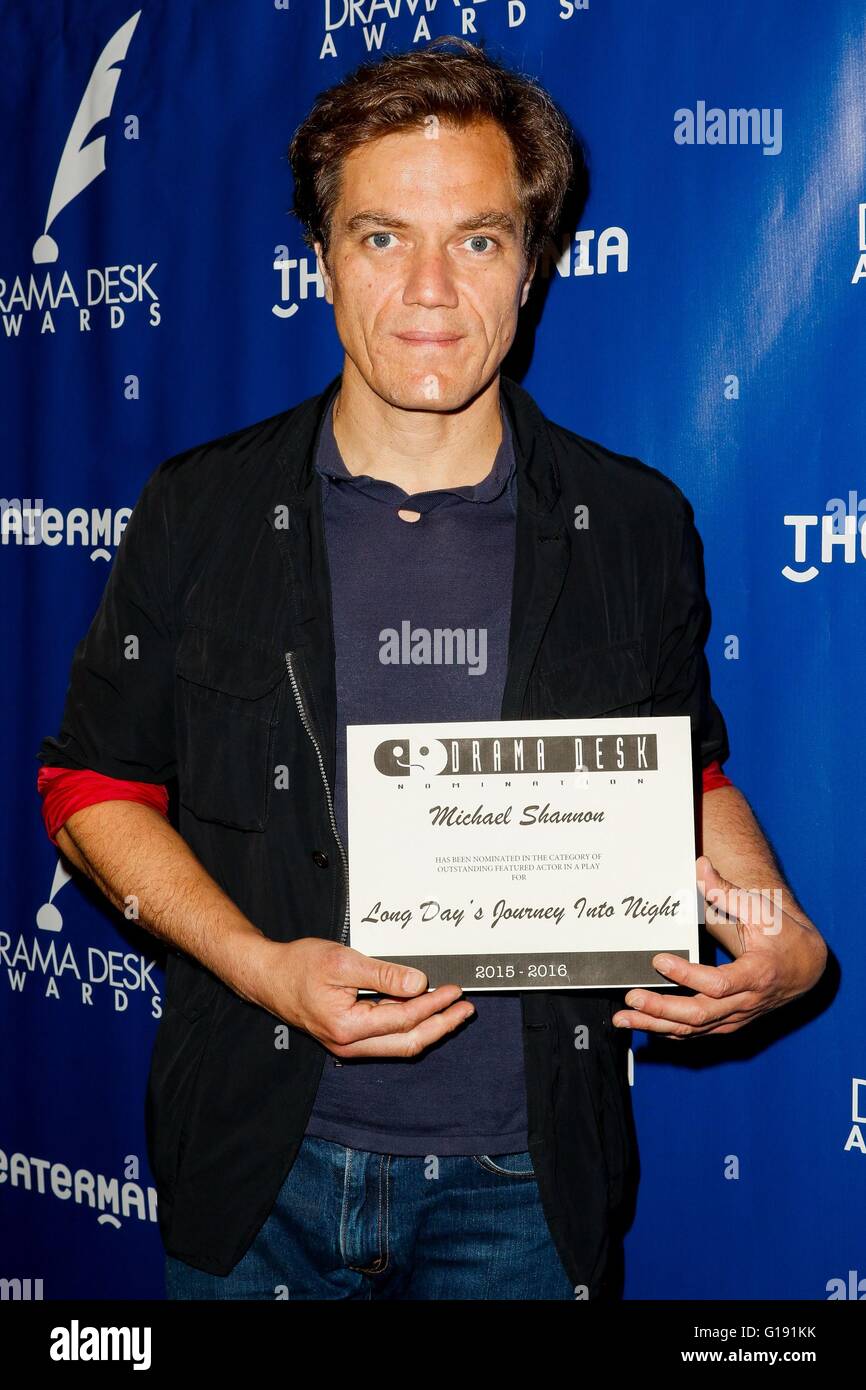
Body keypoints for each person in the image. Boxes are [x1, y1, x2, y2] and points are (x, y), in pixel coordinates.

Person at [36, 36, 827, 1301]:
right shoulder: (202, 510)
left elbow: (685, 774)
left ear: (533, 267)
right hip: (258, 1167)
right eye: (379, 237)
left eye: (475, 240)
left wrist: (776, 936)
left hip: (524, 1187)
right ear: (319, 262)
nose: (427, 291)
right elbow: (88, 789)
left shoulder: (632, 523)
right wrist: (264, 971)